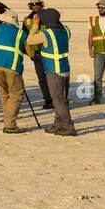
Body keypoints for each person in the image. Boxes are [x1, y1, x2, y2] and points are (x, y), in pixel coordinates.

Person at [0, 7, 26, 133]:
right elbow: (29, 50)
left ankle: (7, 120)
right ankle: (10, 125)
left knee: (4, 93)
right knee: (16, 93)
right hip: (12, 67)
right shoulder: (20, 33)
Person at [35, 8, 75, 136]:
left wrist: (35, 26)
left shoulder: (47, 34)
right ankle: (59, 124)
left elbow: (30, 40)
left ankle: (68, 127)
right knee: (61, 98)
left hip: (53, 70)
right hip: (64, 68)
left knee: (57, 99)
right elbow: (60, 26)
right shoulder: (65, 31)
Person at [22, 0, 54, 109]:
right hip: (37, 54)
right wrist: (30, 54)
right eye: (33, 4)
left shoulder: (49, 18)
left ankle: (57, 98)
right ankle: (48, 99)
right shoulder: (26, 20)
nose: (35, 6)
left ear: (41, 5)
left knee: (53, 77)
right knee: (42, 79)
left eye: (37, 4)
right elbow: (24, 39)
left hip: (50, 53)